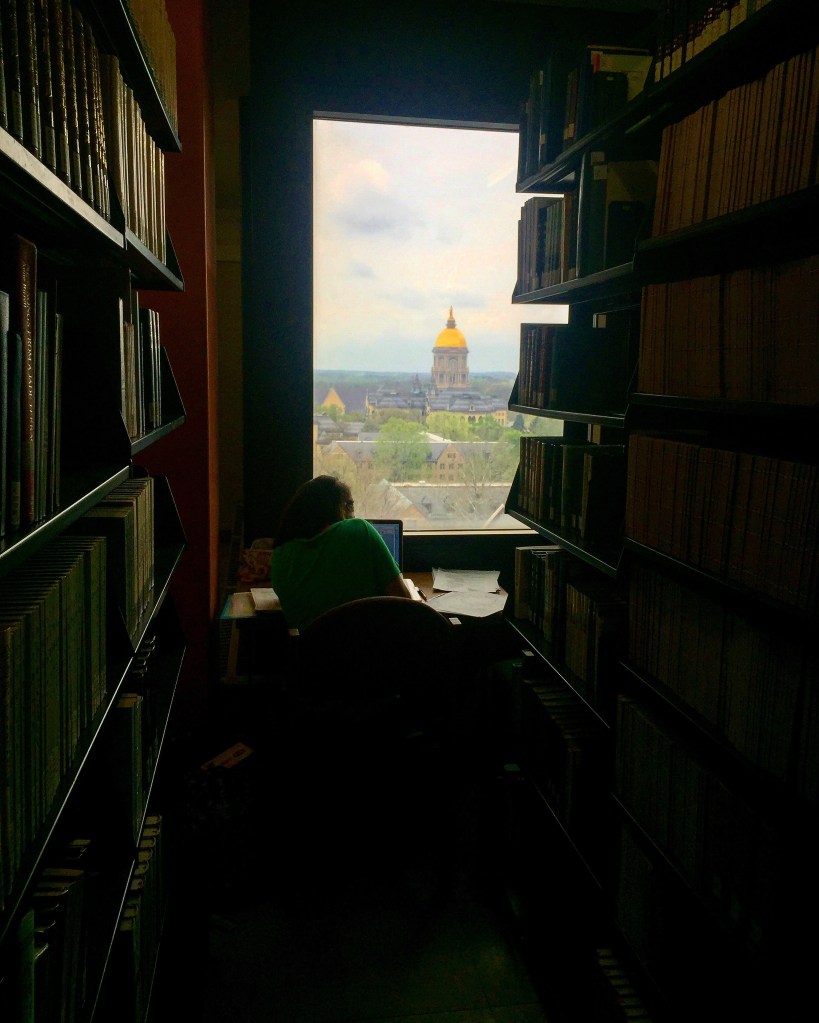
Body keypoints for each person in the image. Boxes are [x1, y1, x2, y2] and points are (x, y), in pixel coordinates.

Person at [269, 475, 414, 632]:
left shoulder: (279, 557)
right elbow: (406, 605)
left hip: (312, 654)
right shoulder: (359, 530)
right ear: (343, 507)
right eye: (351, 506)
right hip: (372, 651)